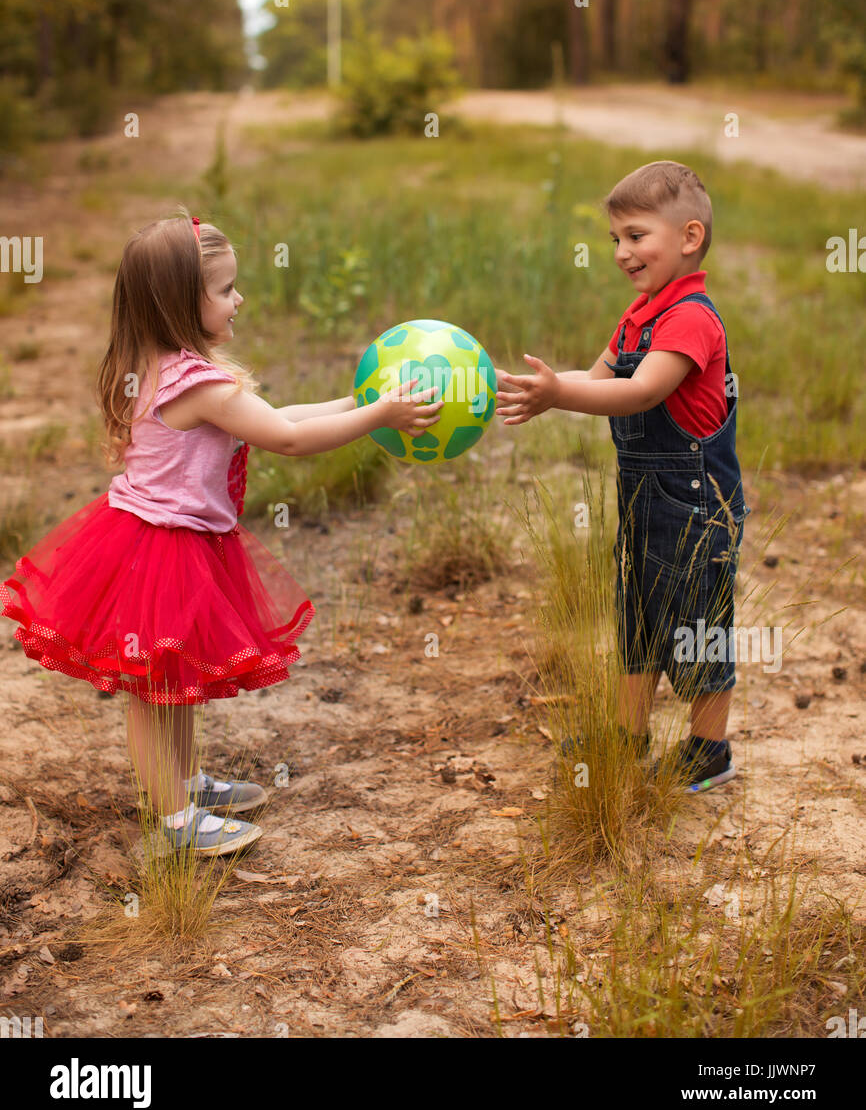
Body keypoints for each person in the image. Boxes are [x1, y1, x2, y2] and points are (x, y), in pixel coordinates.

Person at [1, 212, 442, 854]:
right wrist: (383, 414)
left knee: (172, 683)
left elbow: (273, 418)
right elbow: (286, 439)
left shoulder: (161, 365)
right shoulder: (197, 383)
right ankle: (176, 823)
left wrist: (360, 404)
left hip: (166, 541)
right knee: (155, 694)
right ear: (182, 302)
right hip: (159, 549)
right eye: (227, 289)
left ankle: (183, 785)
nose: (241, 299)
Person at [494, 161, 750, 791]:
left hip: (695, 503)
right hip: (645, 498)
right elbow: (600, 378)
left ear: (689, 238)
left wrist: (559, 395)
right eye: (615, 239)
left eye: (636, 236)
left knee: (697, 626)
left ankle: (709, 749)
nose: (622, 252)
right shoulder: (640, 314)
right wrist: (541, 387)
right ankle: (628, 731)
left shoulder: (691, 316)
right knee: (636, 612)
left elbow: (639, 393)